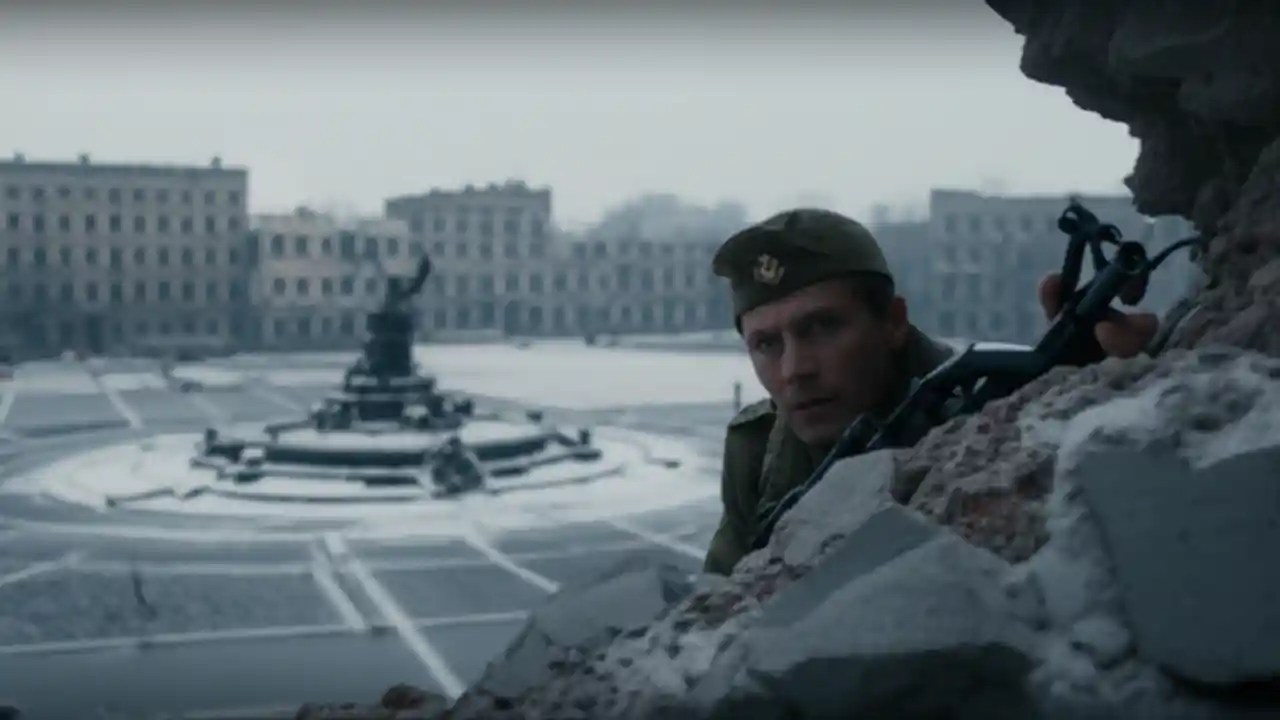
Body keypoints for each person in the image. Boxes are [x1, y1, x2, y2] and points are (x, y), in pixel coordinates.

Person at [702, 208, 1160, 576]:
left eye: (823, 327)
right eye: (765, 344)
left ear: (894, 323)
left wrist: (1115, 382)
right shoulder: (756, 452)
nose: (794, 370)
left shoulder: (994, 408)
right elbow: (719, 603)